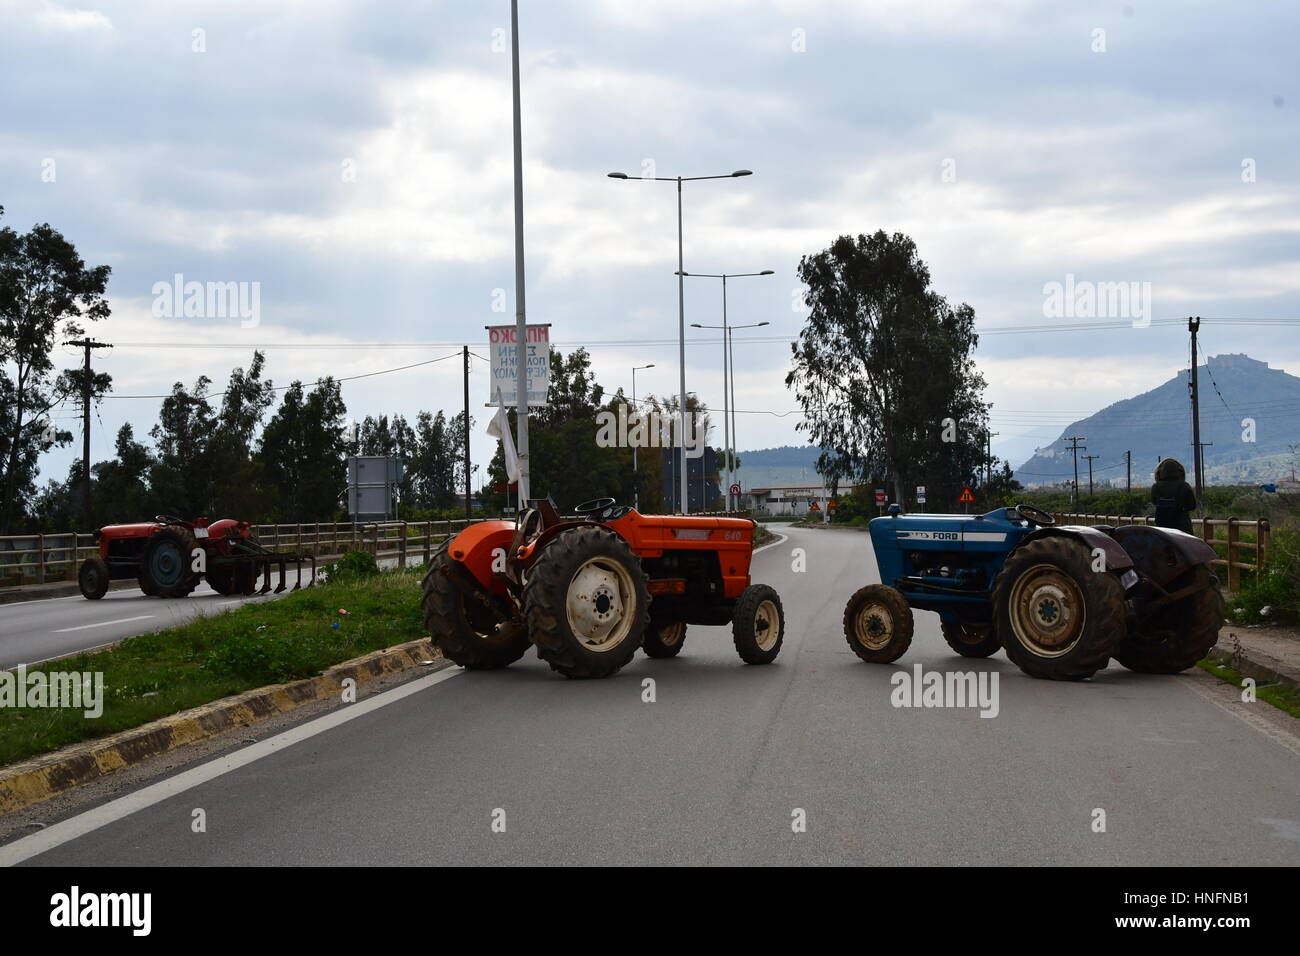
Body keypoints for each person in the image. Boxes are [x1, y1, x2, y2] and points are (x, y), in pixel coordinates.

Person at [1151, 457, 1197, 534]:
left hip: (1163, 527)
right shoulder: (1184, 486)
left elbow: (1154, 501)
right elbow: (1192, 505)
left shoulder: (1156, 487)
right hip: (1182, 527)